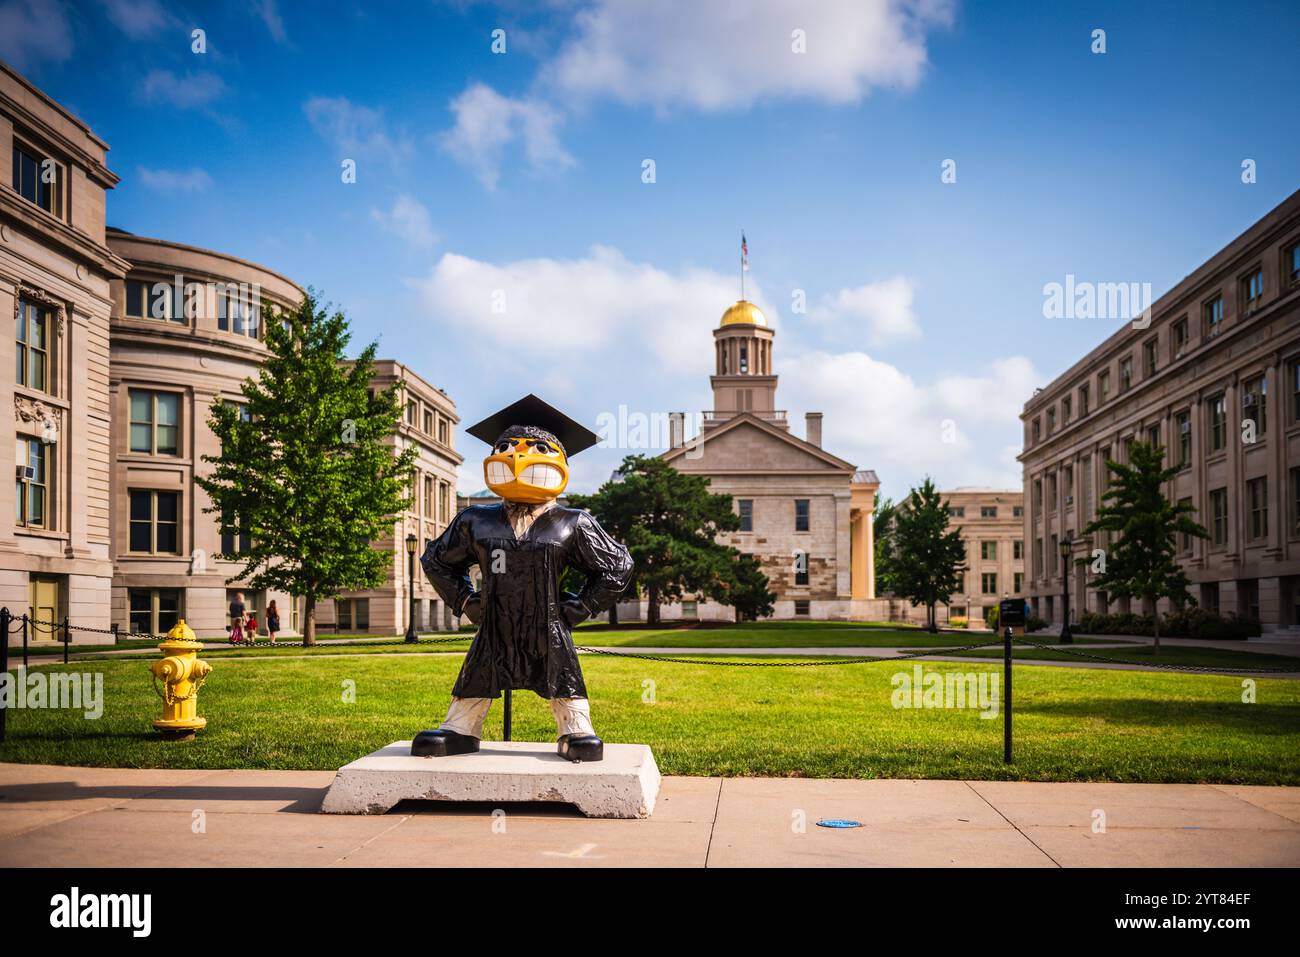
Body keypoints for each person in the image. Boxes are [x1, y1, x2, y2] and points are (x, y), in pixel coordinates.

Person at [412, 395, 633, 763]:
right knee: (479, 670)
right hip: (495, 620)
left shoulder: (572, 522)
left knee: (563, 674)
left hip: (548, 623)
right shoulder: (477, 520)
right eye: (506, 447)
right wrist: (466, 601)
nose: (516, 456)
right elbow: (436, 559)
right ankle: (461, 730)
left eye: (537, 448)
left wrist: (583, 605)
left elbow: (618, 565)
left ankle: (575, 729)